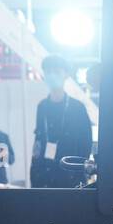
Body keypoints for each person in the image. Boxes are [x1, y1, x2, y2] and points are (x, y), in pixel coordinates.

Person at [31, 55, 93, 188]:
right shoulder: (42, 107)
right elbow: (38, 141)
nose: (52, 75)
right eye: (48, 72)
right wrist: (34, 174)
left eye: (56, 71)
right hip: (44, 179)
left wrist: (80, 174)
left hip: (70, 179)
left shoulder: (77, 108)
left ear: (66, 75)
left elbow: (85, 144)